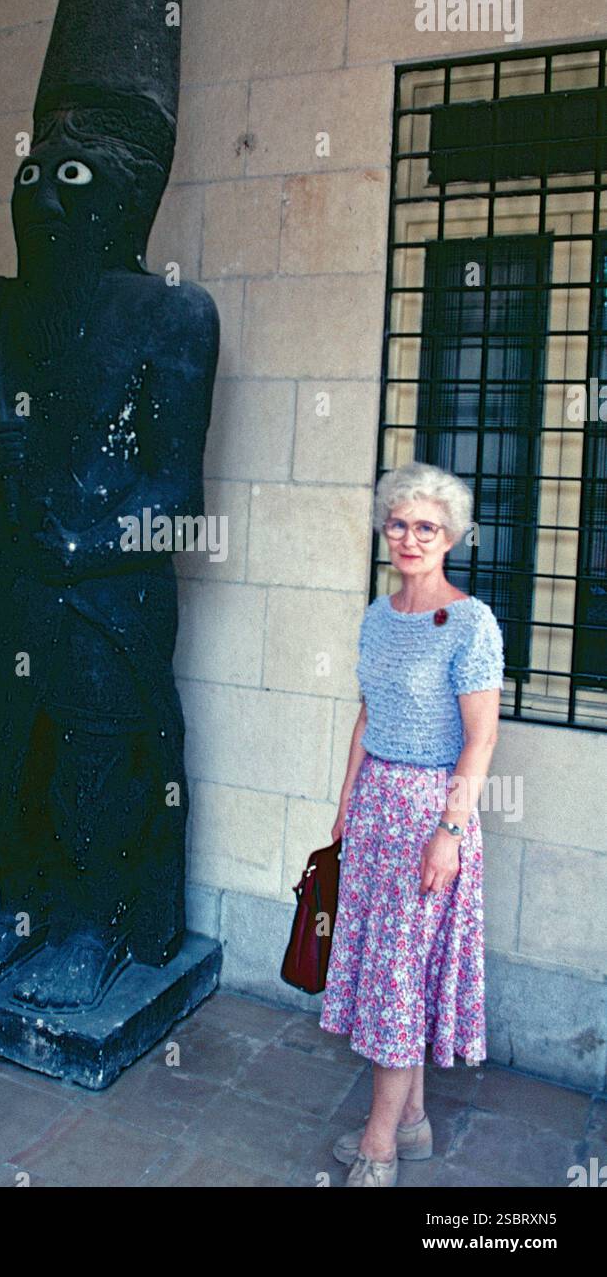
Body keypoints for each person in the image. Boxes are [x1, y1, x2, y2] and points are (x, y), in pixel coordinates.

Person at [318, 461, 504, 1187]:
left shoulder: (470, 623)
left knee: (400, 979)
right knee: (390, 974)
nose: (410, 537)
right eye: (398, 523)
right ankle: (415, 1125)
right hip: (374, 813)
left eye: (426, 526)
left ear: (451, 536)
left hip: (431, 816)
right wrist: (344, 805)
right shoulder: (377, 614)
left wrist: (450, 833)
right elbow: (367, 715)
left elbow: (481, 739)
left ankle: (378, 1146)